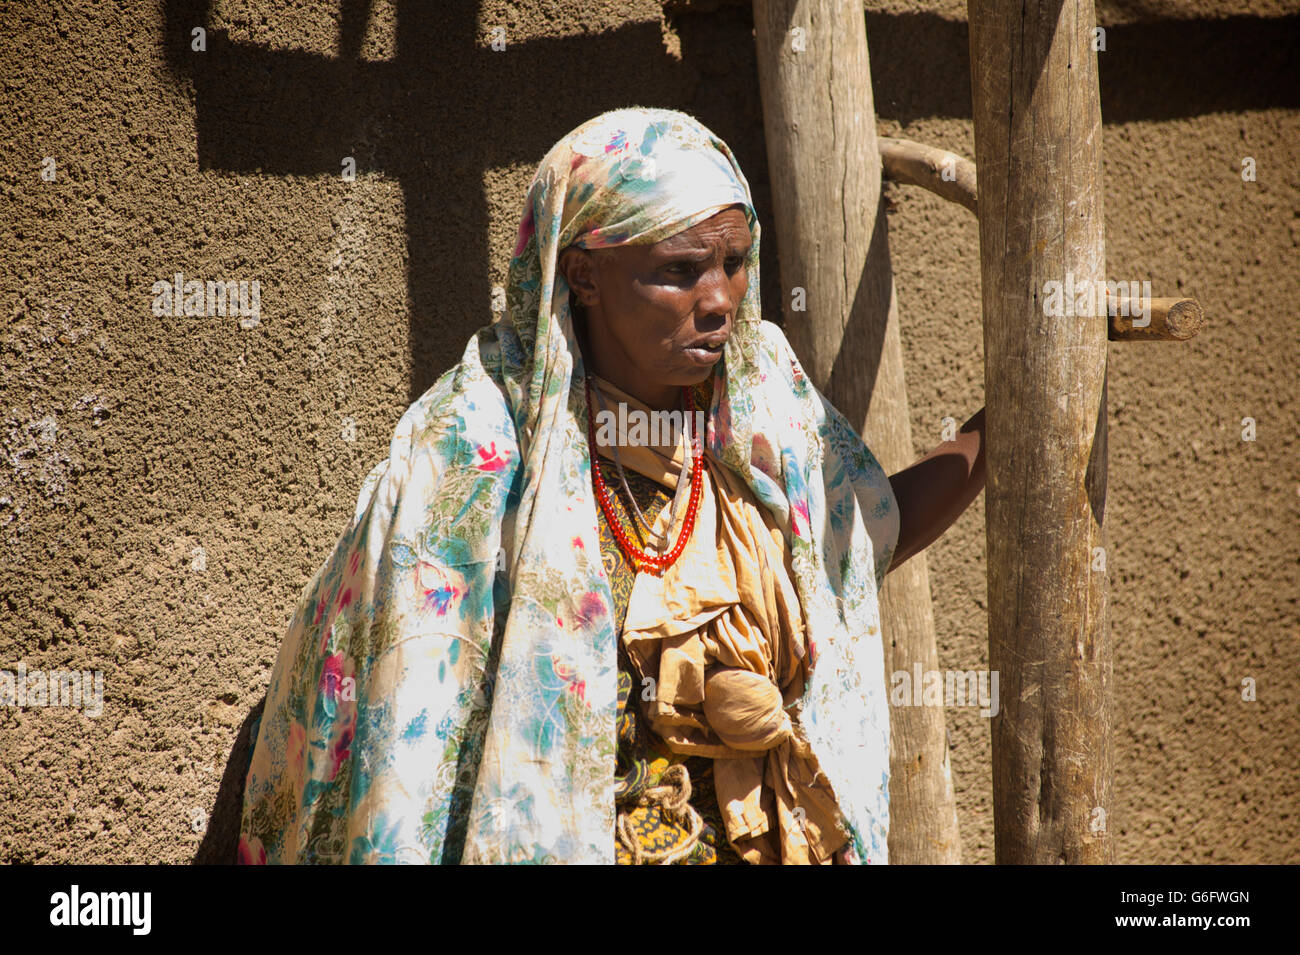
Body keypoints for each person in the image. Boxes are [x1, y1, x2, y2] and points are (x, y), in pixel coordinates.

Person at [237, 106, 984, 865]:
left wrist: (998, 427)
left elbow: (859, 537)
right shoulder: (476, 448)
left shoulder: (763, 407)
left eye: (733, 262)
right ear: (585, 273)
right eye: (680, 270)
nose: (721, 299)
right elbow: (408, 738)